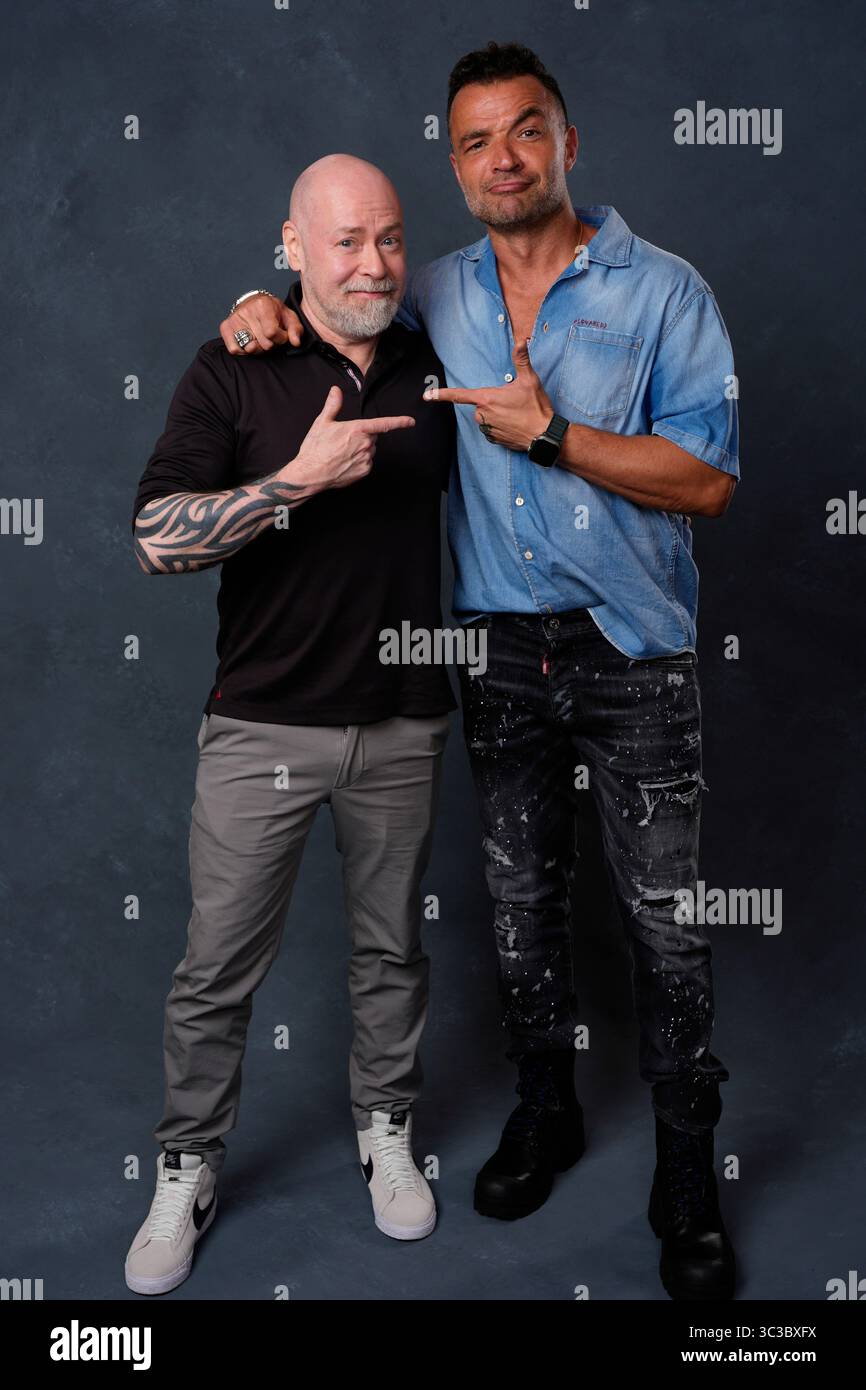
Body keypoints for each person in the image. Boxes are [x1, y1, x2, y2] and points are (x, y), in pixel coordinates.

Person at [218, 42, 741, 1302]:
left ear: (567, 143)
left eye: (524, 131)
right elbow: (336, 321)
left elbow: (709, 482)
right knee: (518, 917)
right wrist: (261, 305)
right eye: (472, 141)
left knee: (668, 930)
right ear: (452, 162)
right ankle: (545, 1111)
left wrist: (550, 433)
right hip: (497, 655)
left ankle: (685, 1170)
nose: (501, 158)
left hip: (632, 651)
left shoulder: (665, 291)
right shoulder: (431, 292)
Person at [124, 155, 457, 1296]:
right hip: (261, 726)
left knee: (390, 954)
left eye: (389, 238)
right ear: (291, 246)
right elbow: (157, 537)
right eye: (344, 241)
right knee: (216, 969)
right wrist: (295, 481)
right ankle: (186, 1166)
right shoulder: (235, 361)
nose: (371, 262)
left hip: (407, 717)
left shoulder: (433, 351)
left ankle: (385, 1128)